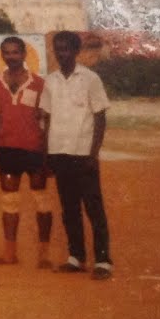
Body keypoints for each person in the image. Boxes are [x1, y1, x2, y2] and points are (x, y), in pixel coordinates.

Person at [40, 30, 114, 280]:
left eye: (66, 49)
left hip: (82, 152)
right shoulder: (50, 81)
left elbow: (100, 117)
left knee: (93, 207)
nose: (61, 54)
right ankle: (76, 257)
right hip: (59, 151)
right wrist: (46, 153)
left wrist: (93, 154)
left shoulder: (90, 79)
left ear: (76, 51)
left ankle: (103, 260)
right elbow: (47, 118)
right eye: (57, 49)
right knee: (69, 208)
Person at [0, 36, 53, 268]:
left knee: (42, 200)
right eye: (6, 52)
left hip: (35, 148)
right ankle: (9, 254)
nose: (11, 56)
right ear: (2, 55)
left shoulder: (39, 83)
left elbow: (47, 119)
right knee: (9, 201)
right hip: (7, 148)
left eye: (15, 52)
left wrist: (47, 153)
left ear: (24, 54)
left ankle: (44, 255)